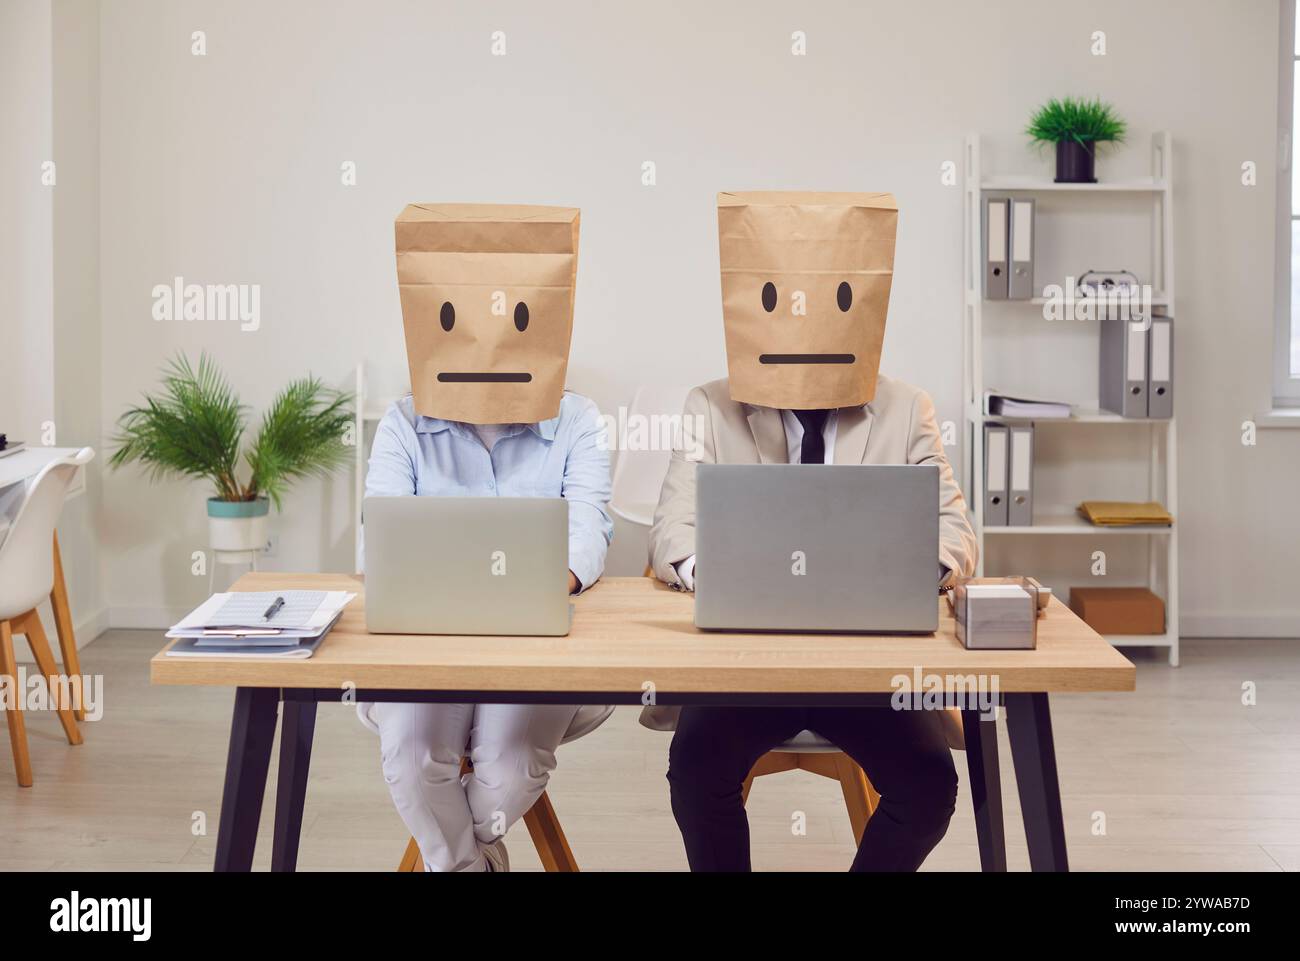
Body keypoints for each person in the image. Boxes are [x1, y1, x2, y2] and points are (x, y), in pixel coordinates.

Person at [646, 191, 977, 872]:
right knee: (696, 772)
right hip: (745, 664)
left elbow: (957, 533)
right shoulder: (711, 405)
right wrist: (721, 575)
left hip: (867, 666)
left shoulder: (906, 408)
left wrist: (912, 573)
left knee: (929, 785)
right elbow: (670, 531)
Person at [360, 203, 612, 872]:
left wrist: (537, 585)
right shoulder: (403, 425)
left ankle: (453, 858)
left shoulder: (578, 421)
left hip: (538, 642)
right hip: (424, 644)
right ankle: (474, 864)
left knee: (509, 760)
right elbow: (377, 543)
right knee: (411, 752)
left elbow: (588, 531)